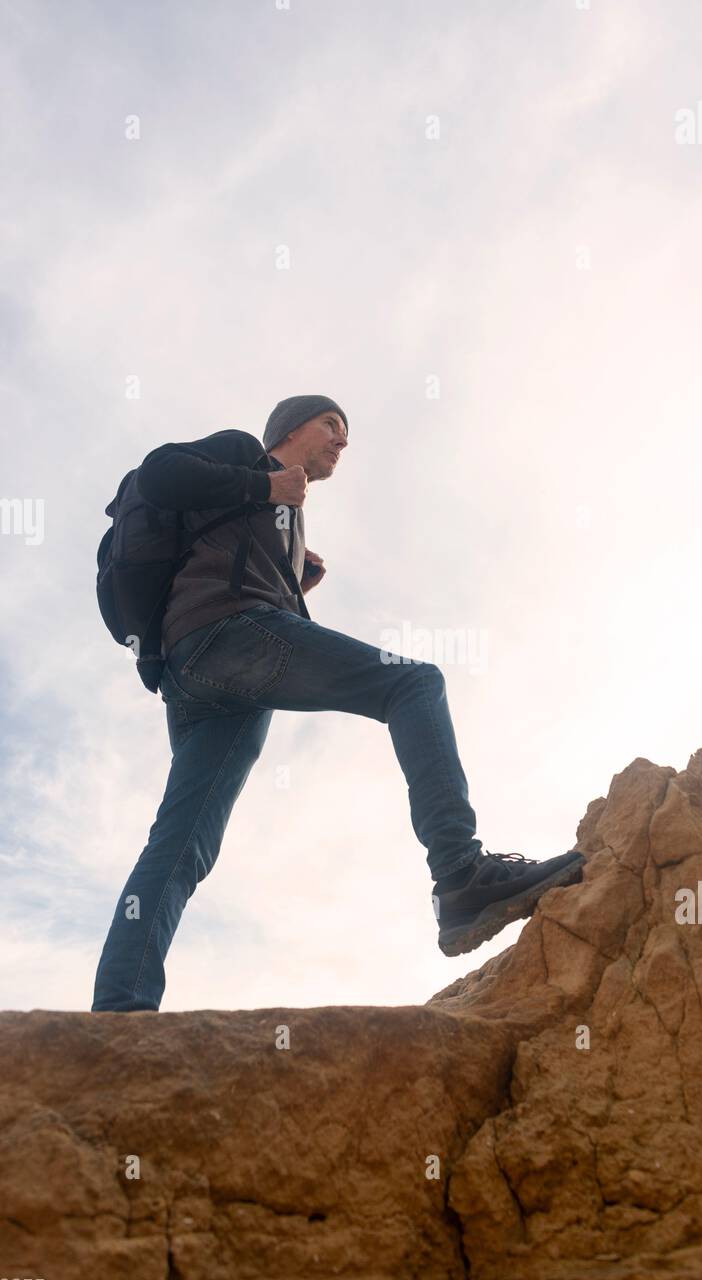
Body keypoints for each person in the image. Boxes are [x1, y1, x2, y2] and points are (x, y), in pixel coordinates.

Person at [91, 395, 585, 1012]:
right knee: (413, 684)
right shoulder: (245, 453)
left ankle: (120, 1009)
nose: (341, 442)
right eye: (331, 425)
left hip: (201, 676)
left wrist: (296, 579)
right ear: (291, 428)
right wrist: (265, 484)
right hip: (225, 635)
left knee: (182, 844)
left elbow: (230, 560)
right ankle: (461, 877)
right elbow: (160, 472)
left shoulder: (287, 519)